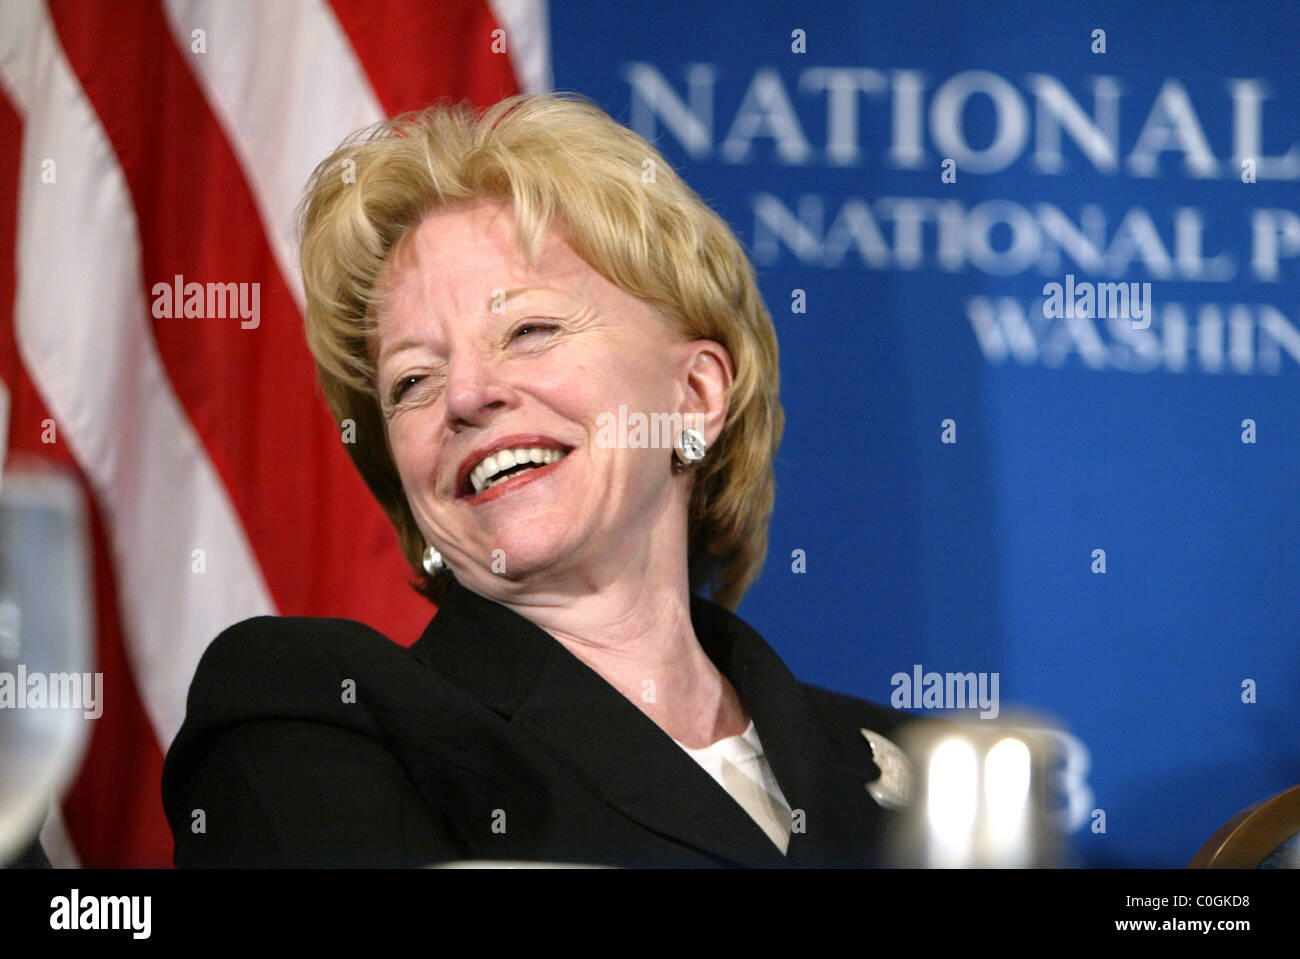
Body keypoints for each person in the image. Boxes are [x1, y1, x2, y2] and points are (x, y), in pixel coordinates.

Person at [161, 92, 919, 867]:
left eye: (529, 330)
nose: (464, 397)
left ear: (695, 395)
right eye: (412, 381)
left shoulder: (919, 773)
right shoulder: (312, 715)